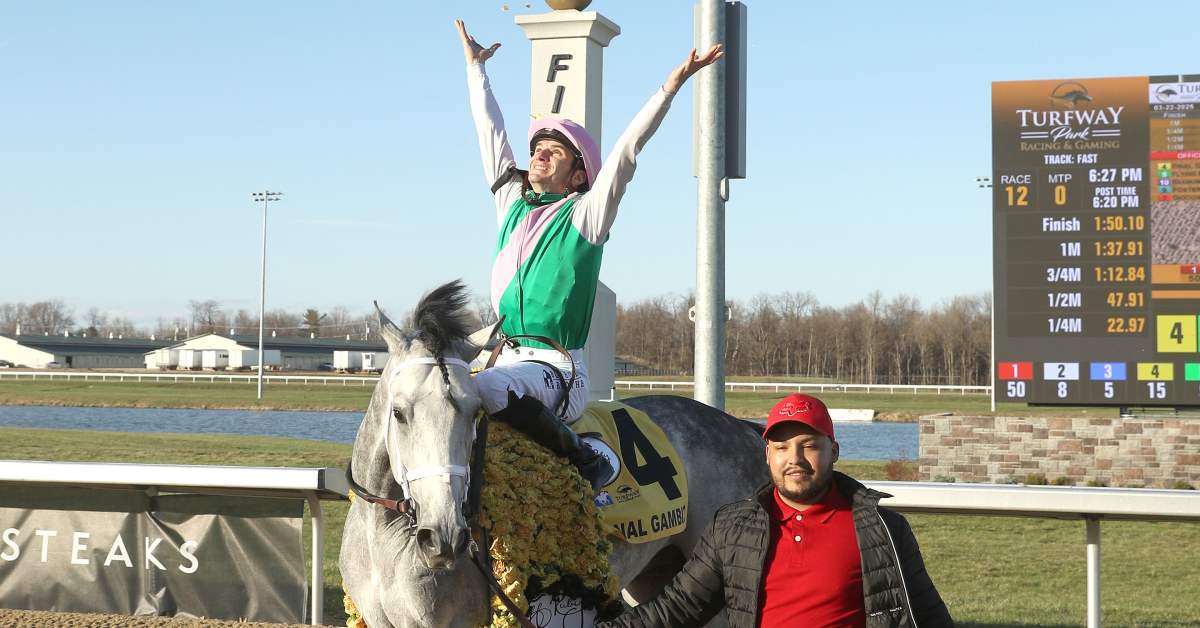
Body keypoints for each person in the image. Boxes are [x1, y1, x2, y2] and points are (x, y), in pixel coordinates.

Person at [455, 19, 722, 490]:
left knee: (486, 388)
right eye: (538, 148)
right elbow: (490, 136)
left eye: (555, 152)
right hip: (505, 356)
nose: (540, 155)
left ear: (578, 176)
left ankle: (584, 456)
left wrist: (670, 88)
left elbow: (626, 152)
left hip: (559, 369)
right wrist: (477, 71)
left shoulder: (585, 216)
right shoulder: (511, 205)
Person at [597, 393, 955, 628]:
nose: (794, 459)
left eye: (809, 445)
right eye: (782, 448)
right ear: (767, 454)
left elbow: (929, 615)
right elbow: (677, 608)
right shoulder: (732, 528)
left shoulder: (884, 529)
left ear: (834, 451)